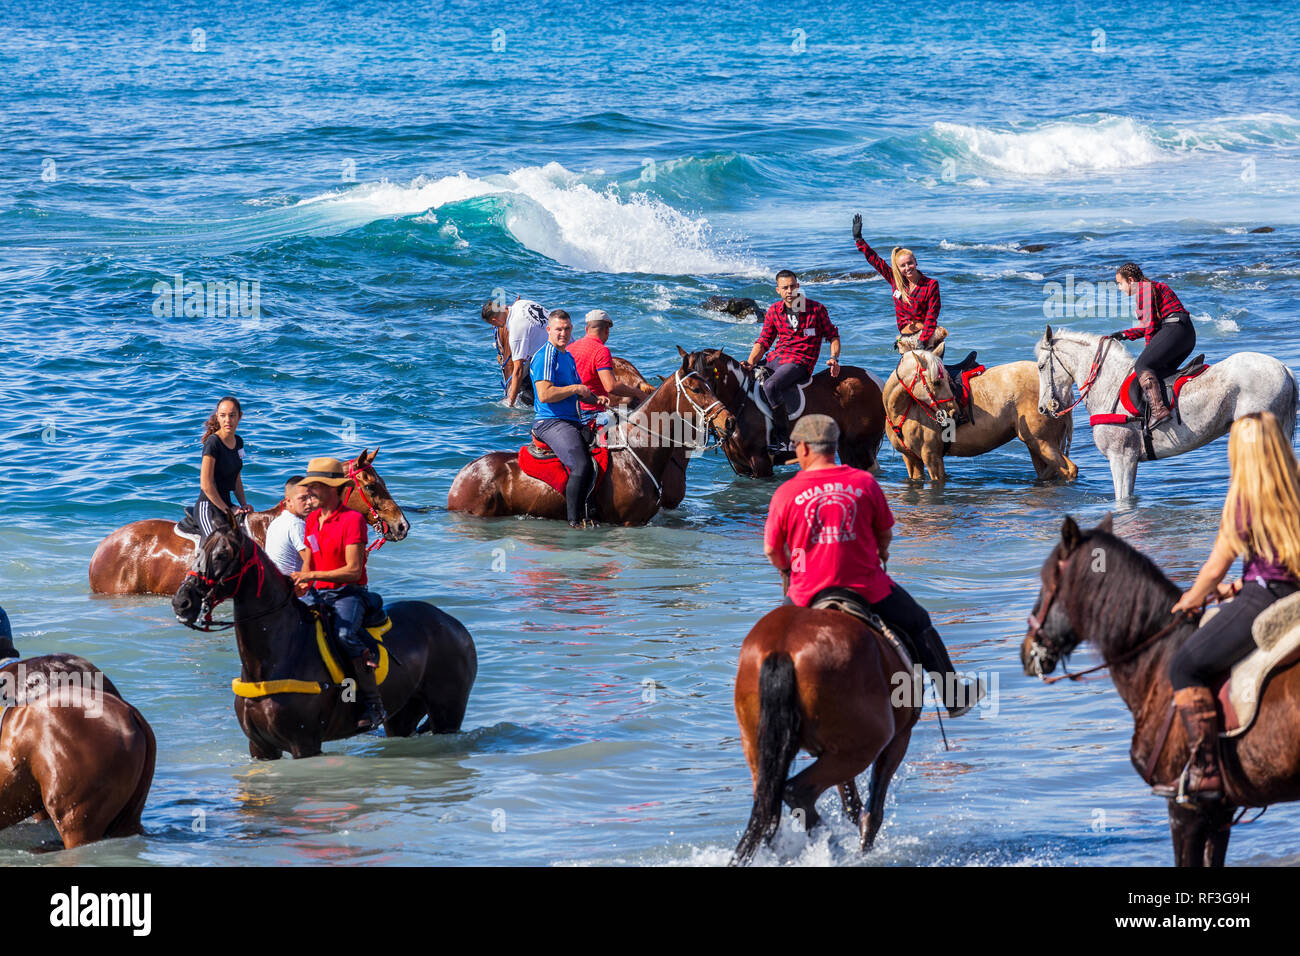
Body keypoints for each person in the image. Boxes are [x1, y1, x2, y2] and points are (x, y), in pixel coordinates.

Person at [763, 415, 983, 717]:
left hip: (806, 594)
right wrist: (881, 555)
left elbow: (771, 549)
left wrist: (788, 569)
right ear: (834, 446)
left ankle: (769, 714)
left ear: (802, 449)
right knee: (918, 622)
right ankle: (954, 698)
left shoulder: (786, 493)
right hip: (866, 589)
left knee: (770, 643)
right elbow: (885, 534)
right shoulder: (864, 482)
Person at [1167, 412, 1300, 800]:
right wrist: (1239, 584)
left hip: (1265, 599)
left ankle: (1207, 772)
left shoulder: (1245, 497)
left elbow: (1213, 568)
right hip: (1290, 593)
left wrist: (1190, 599)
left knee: (1184, 666)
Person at [291, 457, 384, 731]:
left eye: (315, 487)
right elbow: (310, 564)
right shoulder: (310, 522)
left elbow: (353, 570)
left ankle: (373, 705)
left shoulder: (353, 520)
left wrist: (312, 577)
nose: (309, 492)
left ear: (332, 489)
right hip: (319, 593)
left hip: (349, 593)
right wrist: (299, 585)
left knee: (343, 635)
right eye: (309, 487)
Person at [742, 270, 841, 447]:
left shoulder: (816, 309)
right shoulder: (774, 311)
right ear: (778, 290)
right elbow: (764, 342)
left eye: (792, 286)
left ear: (798, 286)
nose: (789, 291)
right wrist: (750, 362)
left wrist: (834, 358)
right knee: (745, 380)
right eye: (785, 288)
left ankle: (782, 437)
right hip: (776, 358)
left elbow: (833, 336)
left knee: (771, 385)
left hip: (800, 362)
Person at [531, 310, 610, 527]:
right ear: (549, 330)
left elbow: (580, 393)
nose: (563, 333)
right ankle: (575, 522)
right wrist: (575, 387)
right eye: (558, 329)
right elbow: (545, 394)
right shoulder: (547, 355)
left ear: (572, 329)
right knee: (581, 465)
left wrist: (597, 400)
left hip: (573, 420)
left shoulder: (568, 356)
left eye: (566, 329)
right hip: (550, 422)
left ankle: (596, 508)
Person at [1108, 262, 1197, 427]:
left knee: (1143, 364)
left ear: (1131, 280)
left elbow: (1149, 327)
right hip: (1185, 333)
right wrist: (1123, 334)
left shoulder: (1143, 290)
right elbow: (1146, 326)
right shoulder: (1149, 288)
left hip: (1175, 330)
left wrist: (1147, 352)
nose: (1119, 288)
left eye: (1120, 283)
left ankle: (1159, 411)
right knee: (1157, 371)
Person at [851, 214, 944, 352]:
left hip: (927, 337)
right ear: (898, 269)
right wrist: (859, 239)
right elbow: (875, 261)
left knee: (930, 372)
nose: (907, 268)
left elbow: (932, 316)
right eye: (903, 265)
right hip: (905, 338)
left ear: (915, 262)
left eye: (910, 263)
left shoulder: (930, 285)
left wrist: (923, 341)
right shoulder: (896, 281)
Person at [566, 309, 653, 423]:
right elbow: (611, 386)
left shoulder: (570, 348)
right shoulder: (601, 350)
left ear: (586, 329)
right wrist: (638, 393)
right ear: (607, 330)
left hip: (571, 410)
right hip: (592, 412)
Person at [195, 396, 252, 544]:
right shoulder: (212, 443)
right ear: (218, 418)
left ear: (240, 417)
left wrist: (243, 504)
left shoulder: (239, 442)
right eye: (223, 416)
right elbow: (206, 485)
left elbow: (236, 478)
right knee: (215, 545)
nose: (228, 420)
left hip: (227, 504)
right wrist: (228, 510)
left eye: (232, 415)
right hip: (208, 507)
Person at [481, 295, 552, 407]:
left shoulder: (515, 331)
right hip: (566, 342)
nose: (495, 326)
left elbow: (518, 370)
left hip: (551, 355)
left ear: (494, 320)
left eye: (493, 324)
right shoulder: (521, 303)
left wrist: (511, 402)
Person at [264, 476, 317, 575]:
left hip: (276, 582)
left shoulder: (277, 521)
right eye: (303, 498)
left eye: (311, 497)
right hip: (292, 586)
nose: (309, 502)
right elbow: (316, 562)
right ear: (288, 501)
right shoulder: (296, 525)